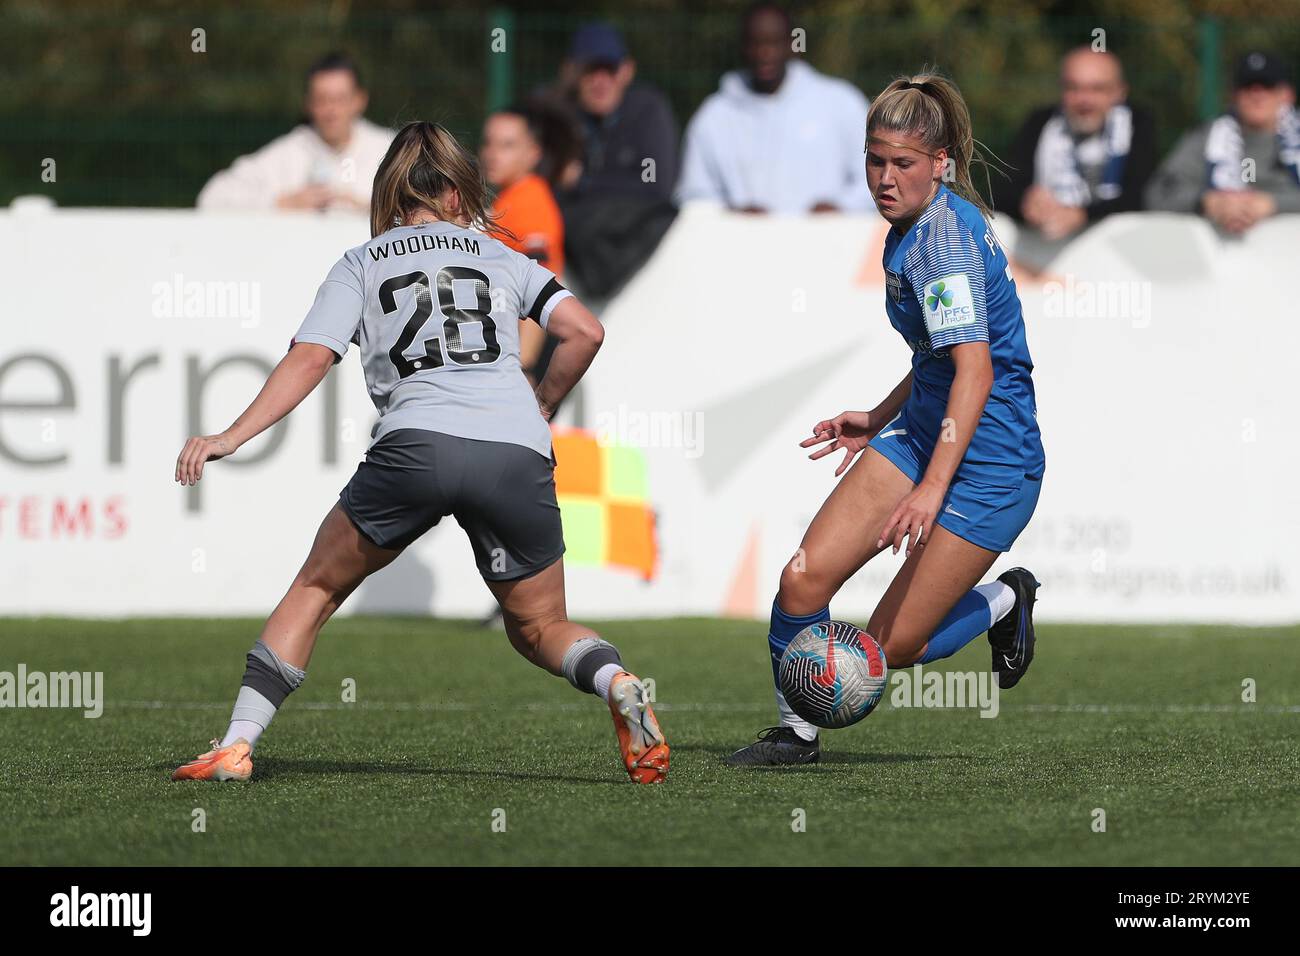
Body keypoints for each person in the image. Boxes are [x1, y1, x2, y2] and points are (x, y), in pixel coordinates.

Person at [171, 121, 668, 785]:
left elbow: (312, 357)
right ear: (461, 196)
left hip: (417, 447)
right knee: (540, 623)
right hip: (515, 452)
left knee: (315, 589)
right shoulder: (500, 254)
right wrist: (542, 402)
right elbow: (585, 331)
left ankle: (235, 745)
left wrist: (230, 435)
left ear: (389, 197)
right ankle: (616, 680)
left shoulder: (362, 261)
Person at [726, 74, 1045, 767]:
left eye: (903, 163)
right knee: (803, 580)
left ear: (940, 163)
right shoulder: (912, 227)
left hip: (993, 462)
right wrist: (879, 416)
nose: (885, 177)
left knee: (890, 648)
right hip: (924, 431)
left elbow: (977, 372)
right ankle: (794, 735)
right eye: (876, 160)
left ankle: (1004, 599)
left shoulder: (943, 243)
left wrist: (931, 489)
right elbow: (940, 357)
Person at [676, 2, 873, 214]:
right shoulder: (713, 117)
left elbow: (875, 182)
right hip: (740, 245)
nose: (764, 53)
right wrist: (732, 214)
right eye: (756, 43)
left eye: (774, 43)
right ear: (743, 47)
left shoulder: (841, 103)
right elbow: (692, 196)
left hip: (831, 244)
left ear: (792, 44)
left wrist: (840, 208)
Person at [550, 22, 679, 298]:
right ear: (571, 73)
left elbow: (657, 186)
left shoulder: (648, 110)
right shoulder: (558, 115)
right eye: (589, 71)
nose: (600, 81)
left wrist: (582, 181)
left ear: (627, 71)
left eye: (609, 70)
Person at [197, 52, 393, 213]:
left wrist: (370, 209)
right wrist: (282, 204)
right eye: (322, 99)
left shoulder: (390, 150)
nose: (331, 110)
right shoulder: (287, 154)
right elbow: (212, 199)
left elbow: (420, 209)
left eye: (340, 99)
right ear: (308, 104)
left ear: (360, 100)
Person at [994, 47, 1156, 239]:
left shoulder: (1138, 125)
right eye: (1074, 88)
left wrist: (1082, 214)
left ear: (1120, 92)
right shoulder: (1039, 123)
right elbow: (1001, 193)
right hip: (1043, 246)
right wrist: (1026, 203)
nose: (1084, 100)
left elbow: (1142, 197)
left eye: (1097, 89)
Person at [1145, 50, 1300, 234]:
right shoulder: (1206, 137)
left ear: (1287, 95)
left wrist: (1273, 204)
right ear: (1233, 95)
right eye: (1247, 87)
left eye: (1267, 86)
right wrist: (1208, 202)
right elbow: (1158, 194)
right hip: (1220, 258)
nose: (1257, 95)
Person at [481, 105, 568, 379]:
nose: (493, 154)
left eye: (507, 145)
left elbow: (539, 285)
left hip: (521, 356)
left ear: (533, 154)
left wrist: (524, 366)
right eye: (488, 143)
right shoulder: (509, 199)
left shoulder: (530, 203)